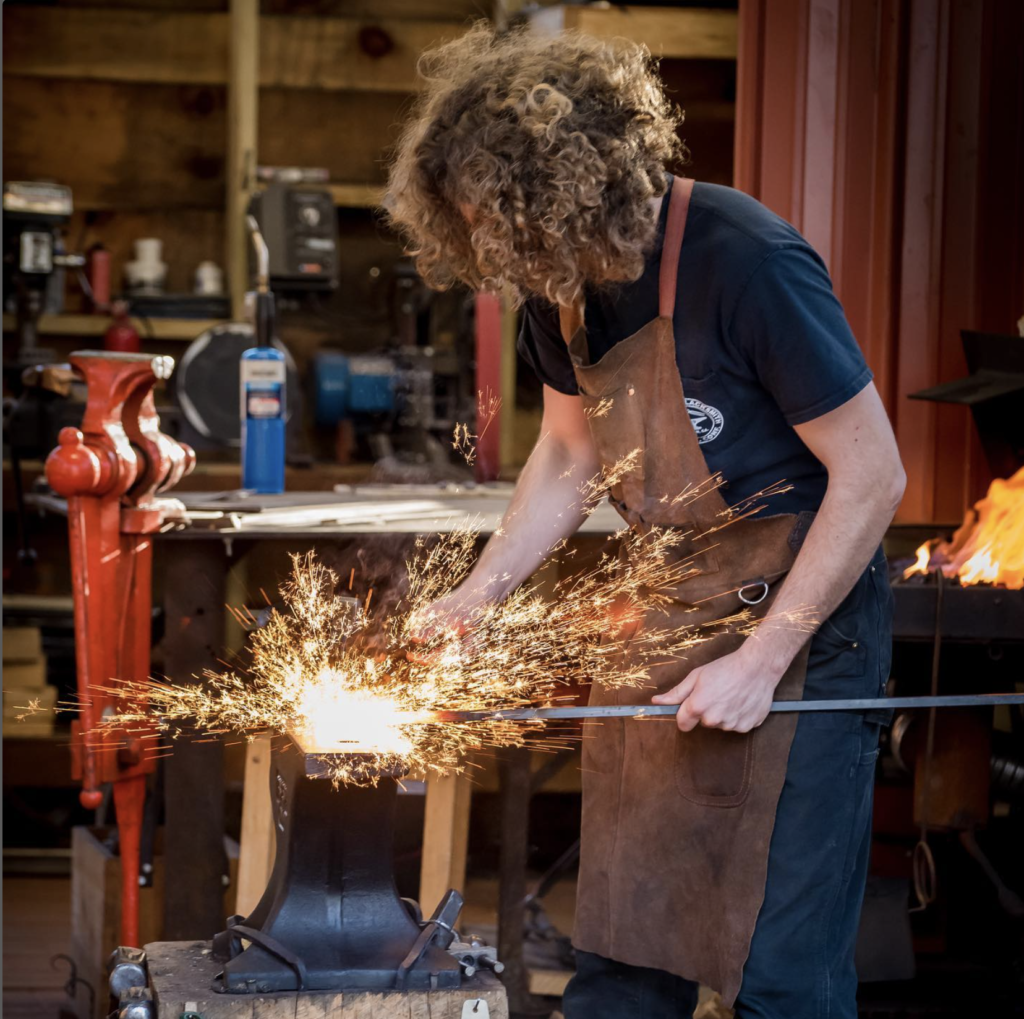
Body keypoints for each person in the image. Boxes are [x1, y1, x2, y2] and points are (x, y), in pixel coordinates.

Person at [387, 24, 904, 1019]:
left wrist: (761, 660)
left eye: (504, 223)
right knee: (625, 959)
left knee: (779, 978)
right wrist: (477, 595)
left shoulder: (747, 260)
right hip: (666, 614)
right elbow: (568, 451)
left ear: (566, 189)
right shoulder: (560, 284)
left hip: (802, 629)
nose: (498, 250)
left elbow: (873, 475)